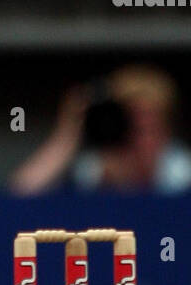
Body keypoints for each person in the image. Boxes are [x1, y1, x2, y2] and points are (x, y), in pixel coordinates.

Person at [11, 66, 191, 195]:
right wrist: (68, 136)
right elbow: (22, 192)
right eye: (131, 127)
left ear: (167, 128)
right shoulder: (93, 170)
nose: (138, 139)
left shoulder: (183, 171)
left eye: (149, 128)